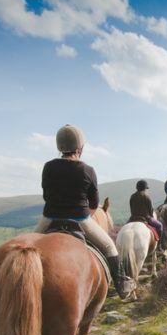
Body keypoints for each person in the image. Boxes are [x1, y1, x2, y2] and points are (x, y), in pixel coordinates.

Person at [34, 124, 135, 297]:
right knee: (109, 247)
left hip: (49, 218)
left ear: (59, 147)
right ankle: (121, 284)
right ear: (79, 147)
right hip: (80, 220)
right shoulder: (87, 170)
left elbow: (46, 195)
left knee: (25, 247)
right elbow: (94, 204)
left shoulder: (48, 167)